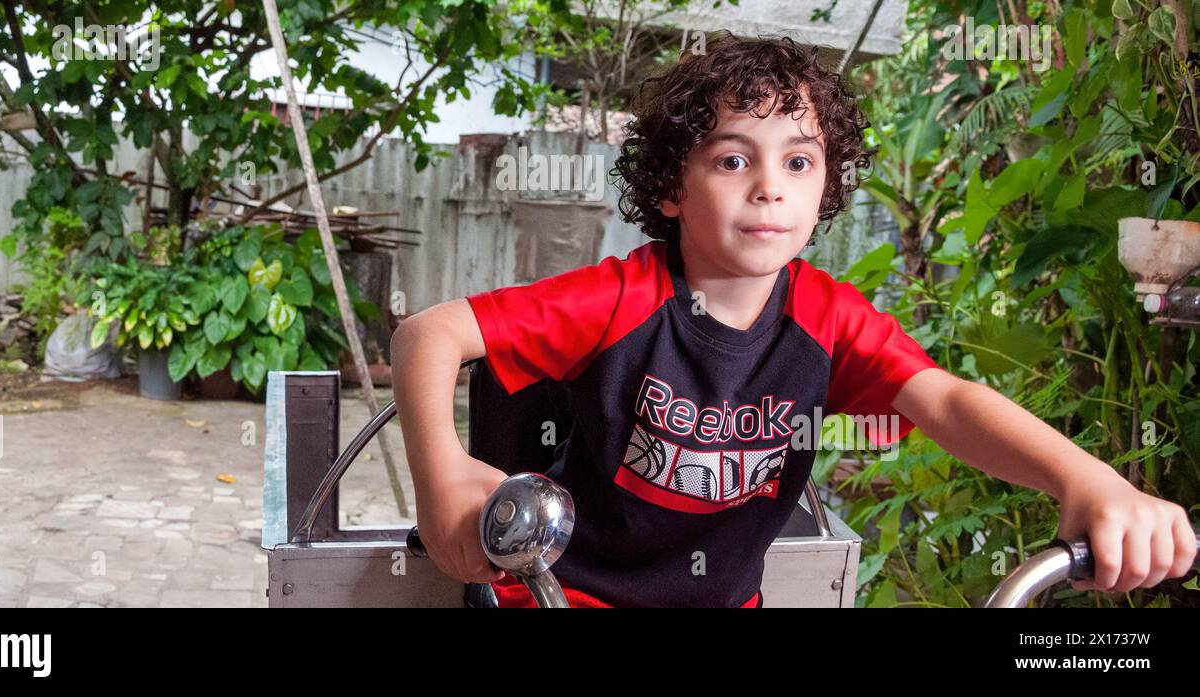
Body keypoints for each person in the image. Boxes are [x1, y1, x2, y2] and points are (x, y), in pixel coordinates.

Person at [390, 33, 1197, 607]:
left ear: (824, 189)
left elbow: (944, 400)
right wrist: (443, 475)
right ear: (673, 188)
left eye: (799, 160)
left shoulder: (827, 319)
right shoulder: (619, 298)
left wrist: (1087, 478)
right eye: (735, 158)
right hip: (559, 591)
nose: (770, 185)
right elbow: (428, 333)